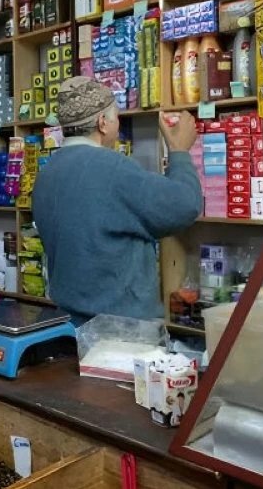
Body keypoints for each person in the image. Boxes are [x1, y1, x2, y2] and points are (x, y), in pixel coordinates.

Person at [32, 77, 202, 324]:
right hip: (120, 330)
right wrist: (180, 152)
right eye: (116, 118)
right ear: (103, 122)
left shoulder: (46, 173)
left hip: (69, 324)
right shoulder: (112, 168)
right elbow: (185, 205)